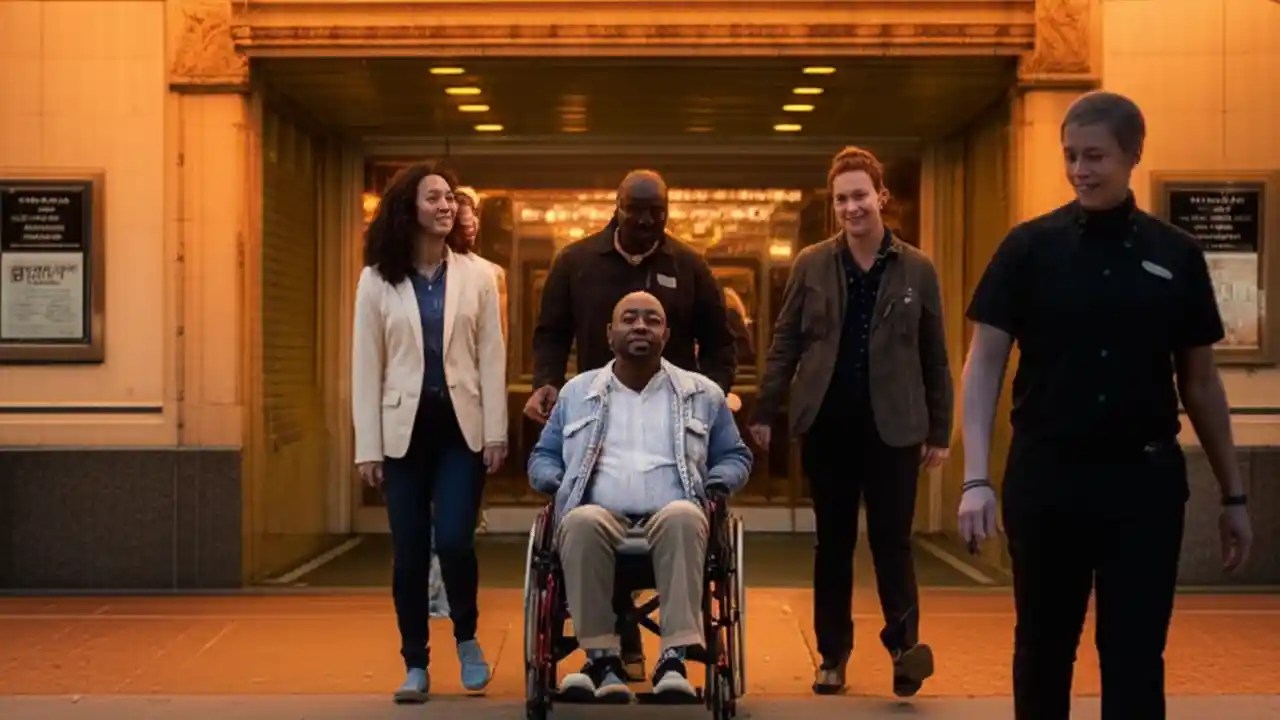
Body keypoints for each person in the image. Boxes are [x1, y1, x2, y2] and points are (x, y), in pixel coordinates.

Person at [958, 90, 1254, 720]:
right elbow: (982, 364)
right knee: (1042, 652)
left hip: (1143, 485)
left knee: (1136, 658)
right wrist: (975, 478)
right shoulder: (1028, 249)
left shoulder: (1176, 254)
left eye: (1094, 156)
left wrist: (1234, 495)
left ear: (1133, 154)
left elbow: (1201, 384)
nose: (1079, 170)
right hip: (1047, 479)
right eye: (1070, 156)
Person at [748, 146, 952, 697]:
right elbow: (785, 341)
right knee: (833, 545)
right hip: (828, 425)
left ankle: (904, 651)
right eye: (841, 199)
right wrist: (765, 410)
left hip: (896, 429)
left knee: (892, 543)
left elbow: (934, 355)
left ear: (880, 196)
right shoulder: (812, 263)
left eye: (860, 196)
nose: (851, 207)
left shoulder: (917, 267)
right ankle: (832, 656)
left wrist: (940, 430)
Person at [526, 168, 739, 677]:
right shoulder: (577, 262)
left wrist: (709, 398)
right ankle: (617, 639)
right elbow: (551, 333)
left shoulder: (688, 265)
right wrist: (547, 382)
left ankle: (672, 650)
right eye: (636, 210)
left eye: (656, 212)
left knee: (673, 507)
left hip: (673, 413)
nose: (646, 221)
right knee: (599, 499)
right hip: (598, 409)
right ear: (616, 207)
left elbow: (719, 340)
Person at [528, 291, 752, 703]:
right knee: (579, 521)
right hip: (599, 514)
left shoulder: (702, 393)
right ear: (609, 333)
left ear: (666, 334)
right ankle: (601, 659)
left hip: (672, 514)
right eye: (629, 318)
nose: (640, 326)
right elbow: (543, 455)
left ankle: (674, 659)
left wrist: (717, 483)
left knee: (685, 515)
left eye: (652, 320)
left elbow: (735, 455)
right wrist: (556, 483)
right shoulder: (576, 393)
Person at [351, 161, 508, 703]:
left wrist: (496, 432)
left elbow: (492, 357)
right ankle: (415, 662)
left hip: (460, 432)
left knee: (457, 540)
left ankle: (466, 637)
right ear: (408, 208)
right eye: (433, 198)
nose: (446, 206)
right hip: (402, 434)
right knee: (410, 552)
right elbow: (365, 366)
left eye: (449, 197)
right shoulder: (377, 280)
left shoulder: (478, 276)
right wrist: (367, 447)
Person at [424, 185, 504, 620]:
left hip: (469, 406)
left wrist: (495, 424)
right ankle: (428, 588)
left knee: (457, 517)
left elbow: (496, 347)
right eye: (462, 218)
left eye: (473, 221)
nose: (467, 226)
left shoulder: (488, 275)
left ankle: (449, 591)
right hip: (424, 406)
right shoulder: (412, 273)